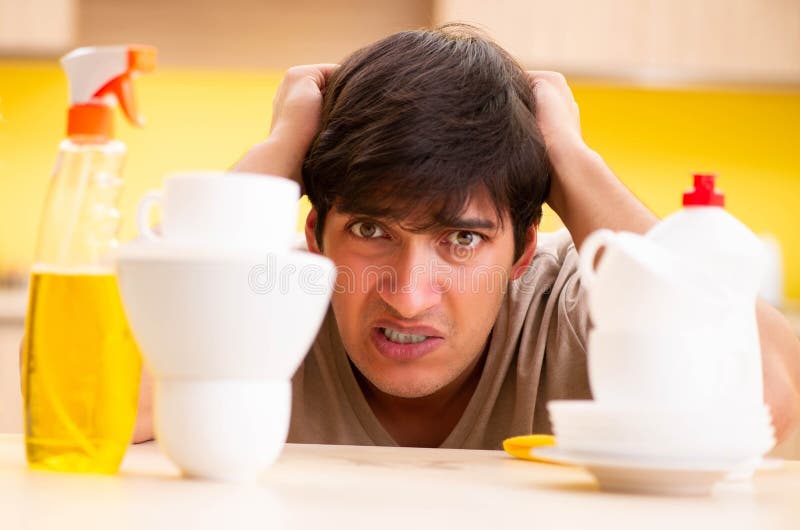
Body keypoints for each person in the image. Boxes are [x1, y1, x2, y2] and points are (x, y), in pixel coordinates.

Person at [133, 24, 800, 449]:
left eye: (461, 239)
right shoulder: (259, 297)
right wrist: (282, 149)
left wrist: (571, 162)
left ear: (523, 251)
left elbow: (776, 398)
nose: (408, 297)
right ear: (314, 236)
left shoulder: (578, 302)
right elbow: (87, 399)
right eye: (370, 230)